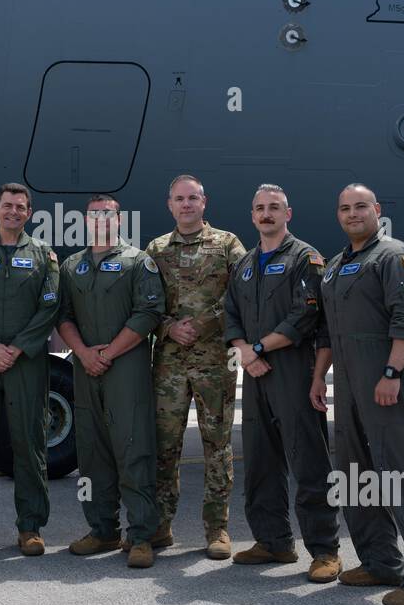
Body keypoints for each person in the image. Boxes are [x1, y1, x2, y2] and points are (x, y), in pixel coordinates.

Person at [312, 183, 404, 605]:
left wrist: (392, 372)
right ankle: (380, 562)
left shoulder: (394, 256)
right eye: (344, 208)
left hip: (386, 378)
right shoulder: (336, 265)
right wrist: (320, 377)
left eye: (360, 207)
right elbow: (327, 330)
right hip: (350, 385)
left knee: (403, 475)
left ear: (377, 210)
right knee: (355, 475)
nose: (352, 214)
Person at [224, 184, 342, 582]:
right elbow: (229, 313)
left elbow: (304, 317)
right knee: (260, 461)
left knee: (308, 461)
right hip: (255, 374)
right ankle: (273, 541)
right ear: (252, 215)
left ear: (287, 214)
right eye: (260, 208)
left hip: (293, 370)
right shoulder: (244, 264)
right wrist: (244, 350)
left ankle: (325, 550)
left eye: (274, 208)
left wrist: (256, 348)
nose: (266, 214)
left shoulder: (304, 259)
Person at [57, 195, 165, 569]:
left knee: (134, 450)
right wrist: (84, 354)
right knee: (92, 454)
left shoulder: (138, 262)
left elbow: (148, 313)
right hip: (86, 369)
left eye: (108, 214)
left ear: (120, 220)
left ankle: (140, 536)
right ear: (86, 221)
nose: (101, 220)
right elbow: (64, 316)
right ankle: (102, 529)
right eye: (94, 215)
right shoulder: (72, 266)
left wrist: (107, 354)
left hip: (126, 371)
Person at [144, 175, 247, 559]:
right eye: (179, 199)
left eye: (193, 198)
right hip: (169, 362)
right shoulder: (156, 248)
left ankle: (217, 528)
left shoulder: (227, 244)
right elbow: (145, 302)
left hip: (214, 362)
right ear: (169, 204)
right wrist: (169, 326)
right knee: (165, 447)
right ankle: (160, 525)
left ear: (204, 203)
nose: (186, 205)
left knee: (216, 445)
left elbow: (242, 294)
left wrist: (205, 323)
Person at [0, 183, 60, 557]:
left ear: (29, 213)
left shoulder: (43, 256)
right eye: (7, 206)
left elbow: (49, 307)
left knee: (30, 445)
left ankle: (30, 527)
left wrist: (15, 348)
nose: (13, 212)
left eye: (21, 207)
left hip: (26, 364)